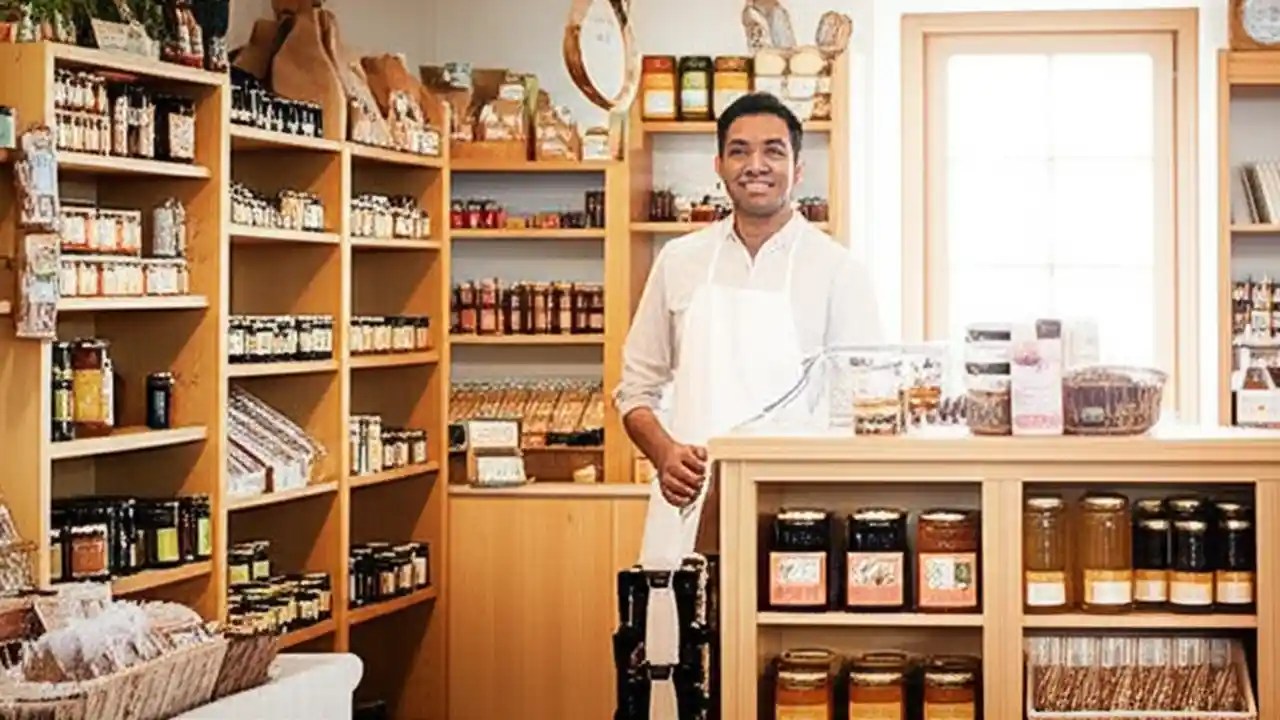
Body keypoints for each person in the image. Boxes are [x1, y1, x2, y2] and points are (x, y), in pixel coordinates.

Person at [613, 92, 882, 566]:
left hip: (801, 511)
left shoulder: (839, 270)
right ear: (718, 164)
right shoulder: (679, 261)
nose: (755, 164)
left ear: (798, 169)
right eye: (739, 150)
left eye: (773, 151)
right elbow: (635, 389)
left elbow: (864, 405)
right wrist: (664, 453)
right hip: (691, 503)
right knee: (684, 632)